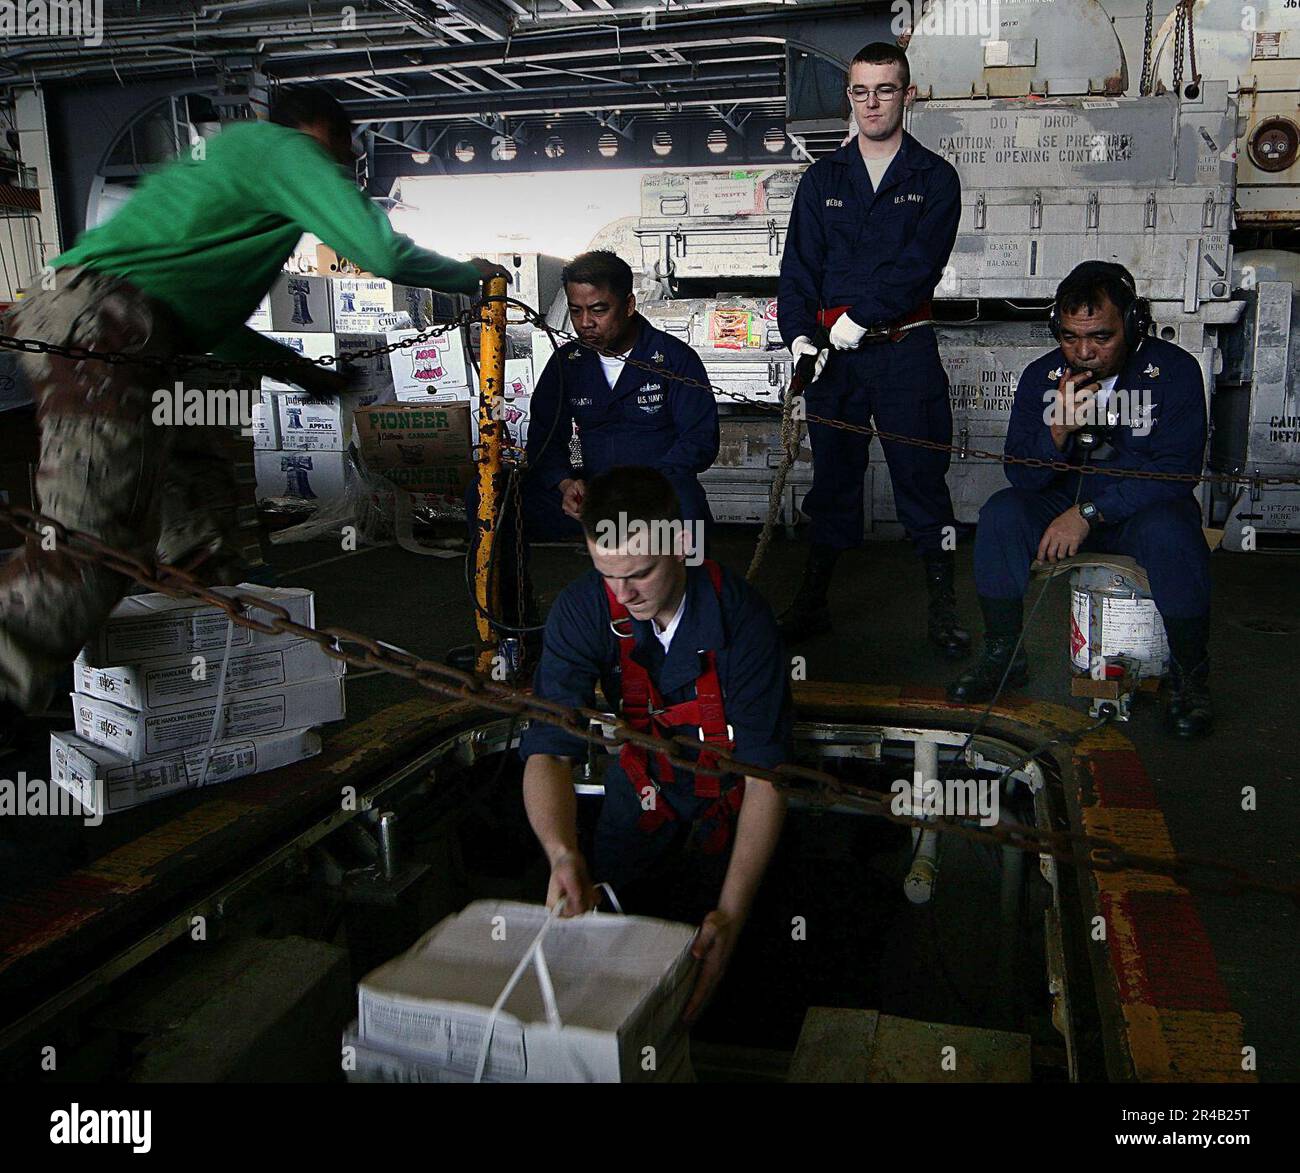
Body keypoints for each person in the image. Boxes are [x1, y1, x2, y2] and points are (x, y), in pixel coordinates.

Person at [0, 84, 508, 747]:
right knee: (94, 536)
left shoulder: (238, 176)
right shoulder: (285, 149)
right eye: (345, 161)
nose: (342, 177)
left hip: (134, 334)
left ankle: (207, 680)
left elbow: (210, 325)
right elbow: (382, 253)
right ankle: (6, 685)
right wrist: (470, 275)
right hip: (102, 325)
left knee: (196, 516)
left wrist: (306, 374)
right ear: (325, 135)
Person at [519, 466, 791, 1023]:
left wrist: (731, 917)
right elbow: (548, 747)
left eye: (639, 573)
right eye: (606, 573)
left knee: (737, 978)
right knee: (612, 971)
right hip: (637, 801)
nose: (623, 594)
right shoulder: (584, 607)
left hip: (731, 814)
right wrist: (562, 852)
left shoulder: (745, 620)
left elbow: (767, 776)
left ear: (682, 545)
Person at [947, 261, 1213, 738]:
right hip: (1061, 502)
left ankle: (1191, 677)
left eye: (1101, 337)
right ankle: (1004, 654)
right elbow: (1020, 475)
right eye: (1070, 337)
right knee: (1001, 514)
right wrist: (1059, 428)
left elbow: (1177, 472)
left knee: (1173, 532)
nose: (1084, 352)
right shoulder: (1041, 376)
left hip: (1139, 508)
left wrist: (1091, 512)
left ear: (1133, 325)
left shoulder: (1174, 371)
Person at [776, 41, 968, 660]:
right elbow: (799, 268)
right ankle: (812, 603)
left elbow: (920, 266)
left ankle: (943, 610)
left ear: (907, 95)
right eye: (861, 91)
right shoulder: (822, 179)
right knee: (833, 483)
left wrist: (861, 319)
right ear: (850, 97)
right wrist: (801, 335)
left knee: (922, 481)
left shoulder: (934, 179)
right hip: (835, 361)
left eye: (885, 89)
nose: (872, 103)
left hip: (903, 352)